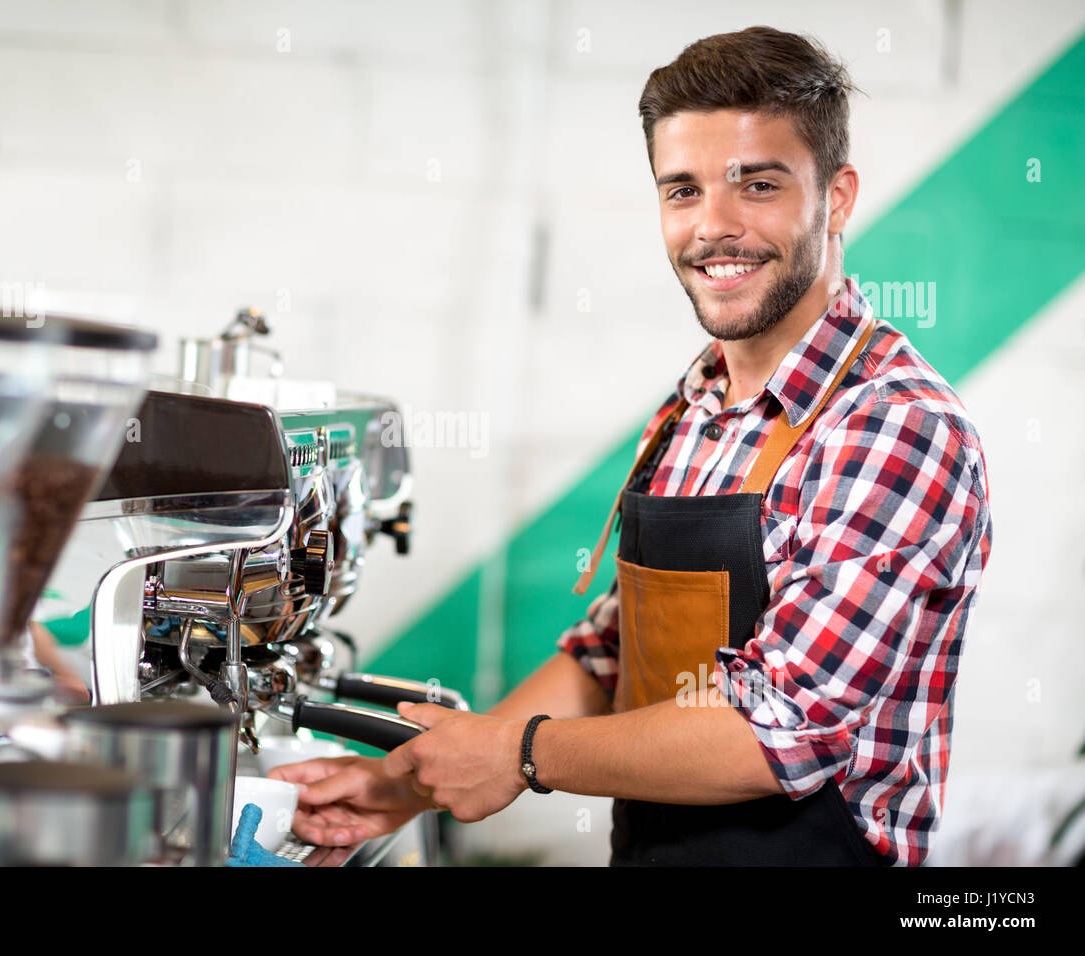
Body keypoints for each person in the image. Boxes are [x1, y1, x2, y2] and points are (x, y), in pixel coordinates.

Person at [270, 26, 992, 866]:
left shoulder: (893, 426)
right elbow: (611, 657)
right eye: (682, 191)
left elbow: (781, 730)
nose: (714, 227)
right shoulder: (695, 407)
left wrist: (516, 755)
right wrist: (405, 786)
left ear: (835, 198)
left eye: (756, 184)